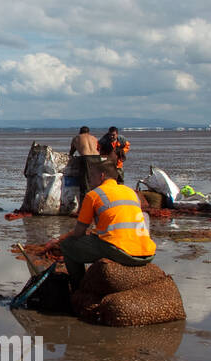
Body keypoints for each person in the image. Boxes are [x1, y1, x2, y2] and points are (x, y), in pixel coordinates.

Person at [42, 156, 156, 292]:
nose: (89, 179)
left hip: (122, 252)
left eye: (92, 175)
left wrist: (60, 240)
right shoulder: (131, 192)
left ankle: (79, 288)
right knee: (96, 241)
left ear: (102, 176)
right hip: (148, 252)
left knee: (68, 246)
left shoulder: (93, 195)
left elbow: (79, 233)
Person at [69, 125, 99, 195]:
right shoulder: (94, 138)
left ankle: (85, 197)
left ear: (80, 132)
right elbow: (99, 149)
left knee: (85, 180)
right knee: (95, 178)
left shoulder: (77, 138)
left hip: (86, 158)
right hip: (97, 158)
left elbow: (71, 152)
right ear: (88, 132)